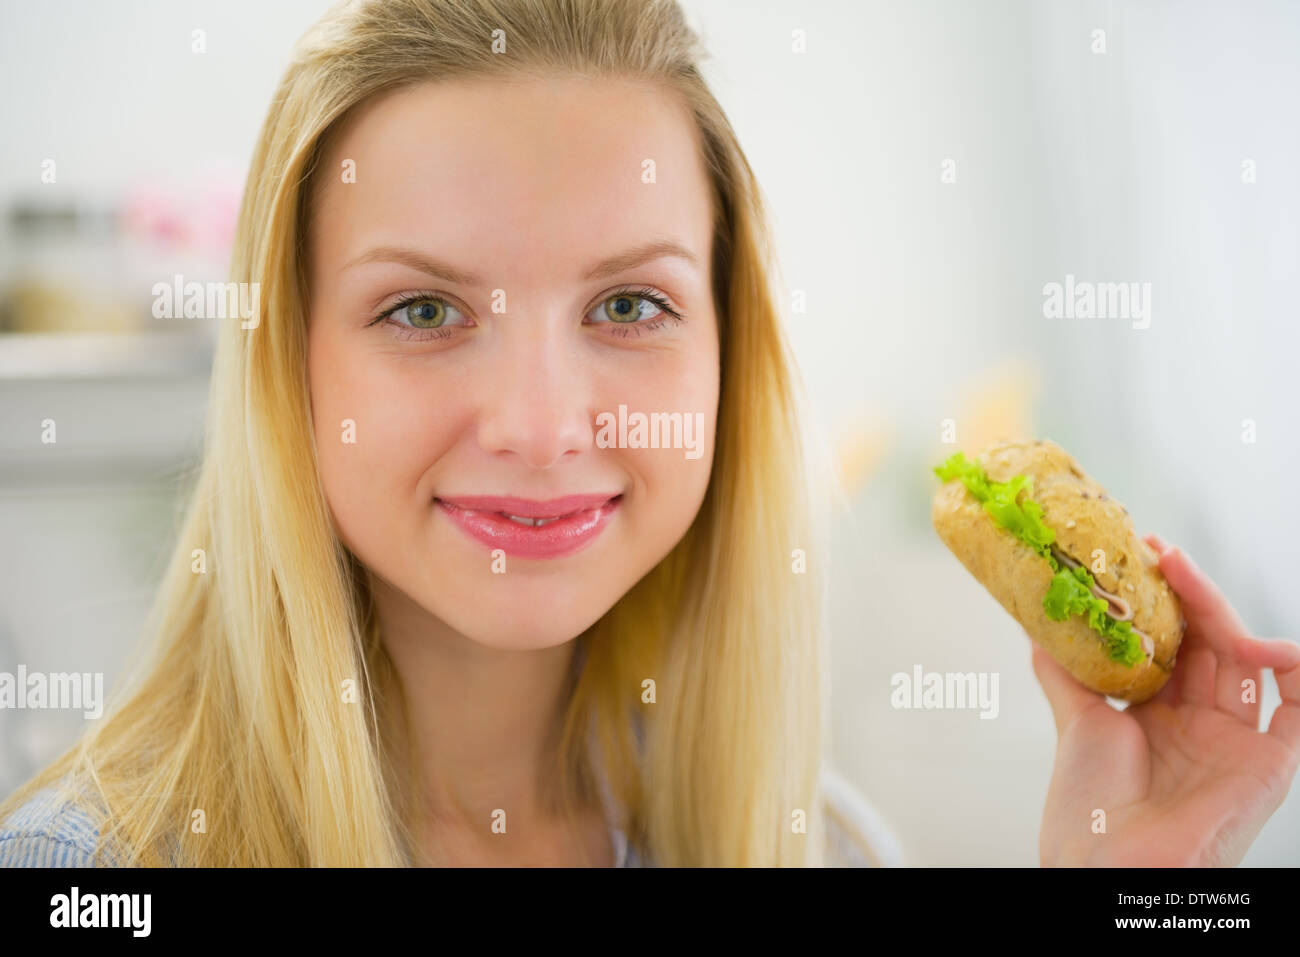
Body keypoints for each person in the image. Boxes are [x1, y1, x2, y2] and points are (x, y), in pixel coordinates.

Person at [3, 0, 1296, 869]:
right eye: (423, 308)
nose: (543, 422)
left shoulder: (821, 846)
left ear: (729, 355)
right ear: (289, 361)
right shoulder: (83, 867)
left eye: (630, 303)